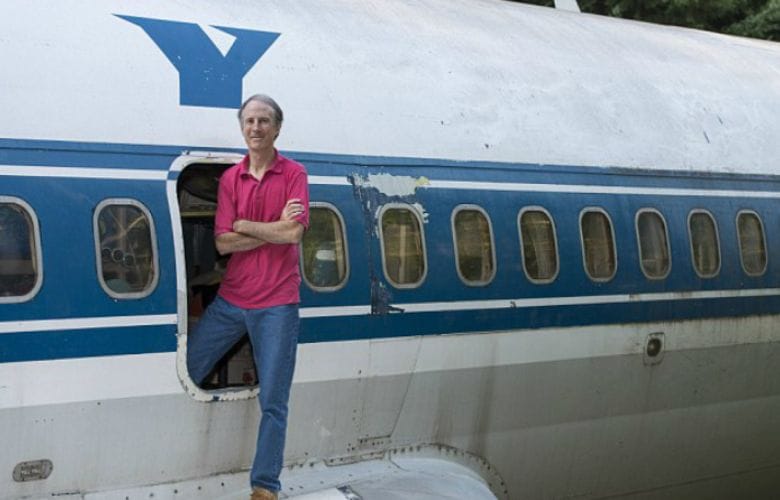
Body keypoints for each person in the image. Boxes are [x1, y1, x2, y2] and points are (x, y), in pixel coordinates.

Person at [186, 94, 309, 500]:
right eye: (250, 121)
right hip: (233, 299)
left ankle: (264, 485)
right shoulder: (229, 179)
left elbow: (293, 234)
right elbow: (222, 244)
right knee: (189, 366)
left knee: (274, 399)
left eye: (264, 121)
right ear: (243, 127)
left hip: (277, 303)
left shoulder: (294, 174)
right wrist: (269, 227)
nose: (256, 127)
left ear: (277, 128)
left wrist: (245, 225)